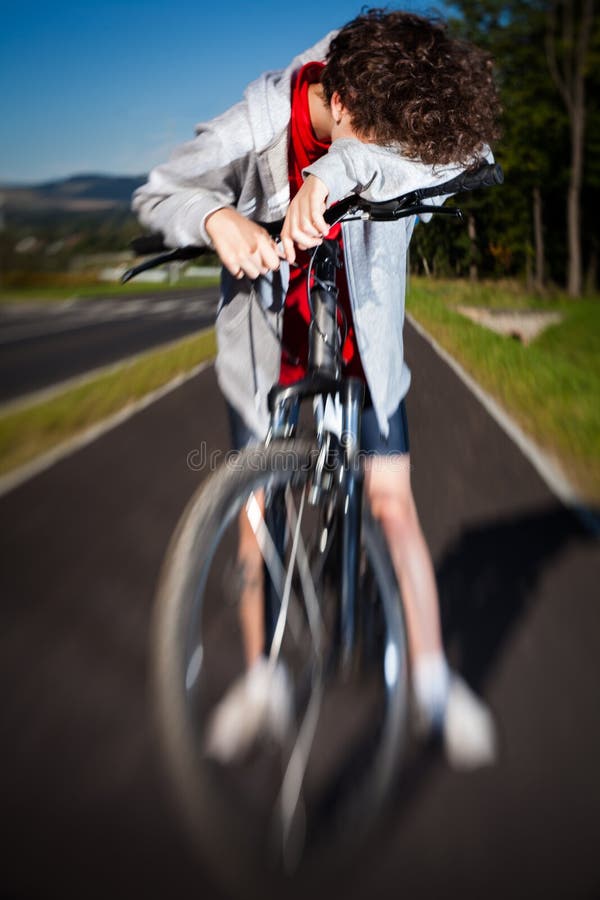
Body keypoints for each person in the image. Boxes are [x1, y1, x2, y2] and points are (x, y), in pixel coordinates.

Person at [133, 9, 502, 769]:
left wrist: (340, 168)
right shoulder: (261, 116)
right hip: (271, 346)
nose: (391, 150)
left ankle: (429, 682)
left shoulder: (389, 105)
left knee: (393, 504)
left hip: (366, 346)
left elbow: (468, 156)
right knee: (253, 512)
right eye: (375, 136)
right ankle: (266, 682)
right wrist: (214, 216)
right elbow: (158, 191)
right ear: (342, 102)